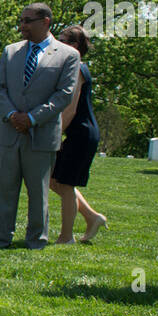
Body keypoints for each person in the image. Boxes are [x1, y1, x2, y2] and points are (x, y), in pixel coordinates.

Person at [0, 3, 80, 250]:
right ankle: (1, 238)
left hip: (42, 134)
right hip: (10, 132)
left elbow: (64, 94)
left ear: (46, 21)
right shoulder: (10, 52)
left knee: (39, 193)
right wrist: (11, 115)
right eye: (21, 20)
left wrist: (31, 118)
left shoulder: (67, 55)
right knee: (6, 189)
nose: (23, 26)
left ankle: (36, 240)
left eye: (28, 21)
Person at [49, 25, 107, 244]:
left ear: (73, 46)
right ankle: (93, 217)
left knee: (64, 184)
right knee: (54, 180)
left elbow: (70, 109)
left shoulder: (77, 68)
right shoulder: (71, 68)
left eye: (62, 40)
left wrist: (55, 136)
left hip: (81, 133)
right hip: (79, 132)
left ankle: (66, 237)